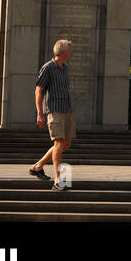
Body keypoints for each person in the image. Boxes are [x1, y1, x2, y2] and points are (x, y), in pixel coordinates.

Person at [30, 39, 75, 191]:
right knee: (58, 143)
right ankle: (57, 180)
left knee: (66, 144)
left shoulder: (66, 67)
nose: (71, 53)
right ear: (63, 52)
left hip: (67, 110)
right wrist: (40, 113)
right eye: (70, 50)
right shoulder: (48, 67)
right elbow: (38, 90)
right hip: (54, 110)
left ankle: (38, 166)